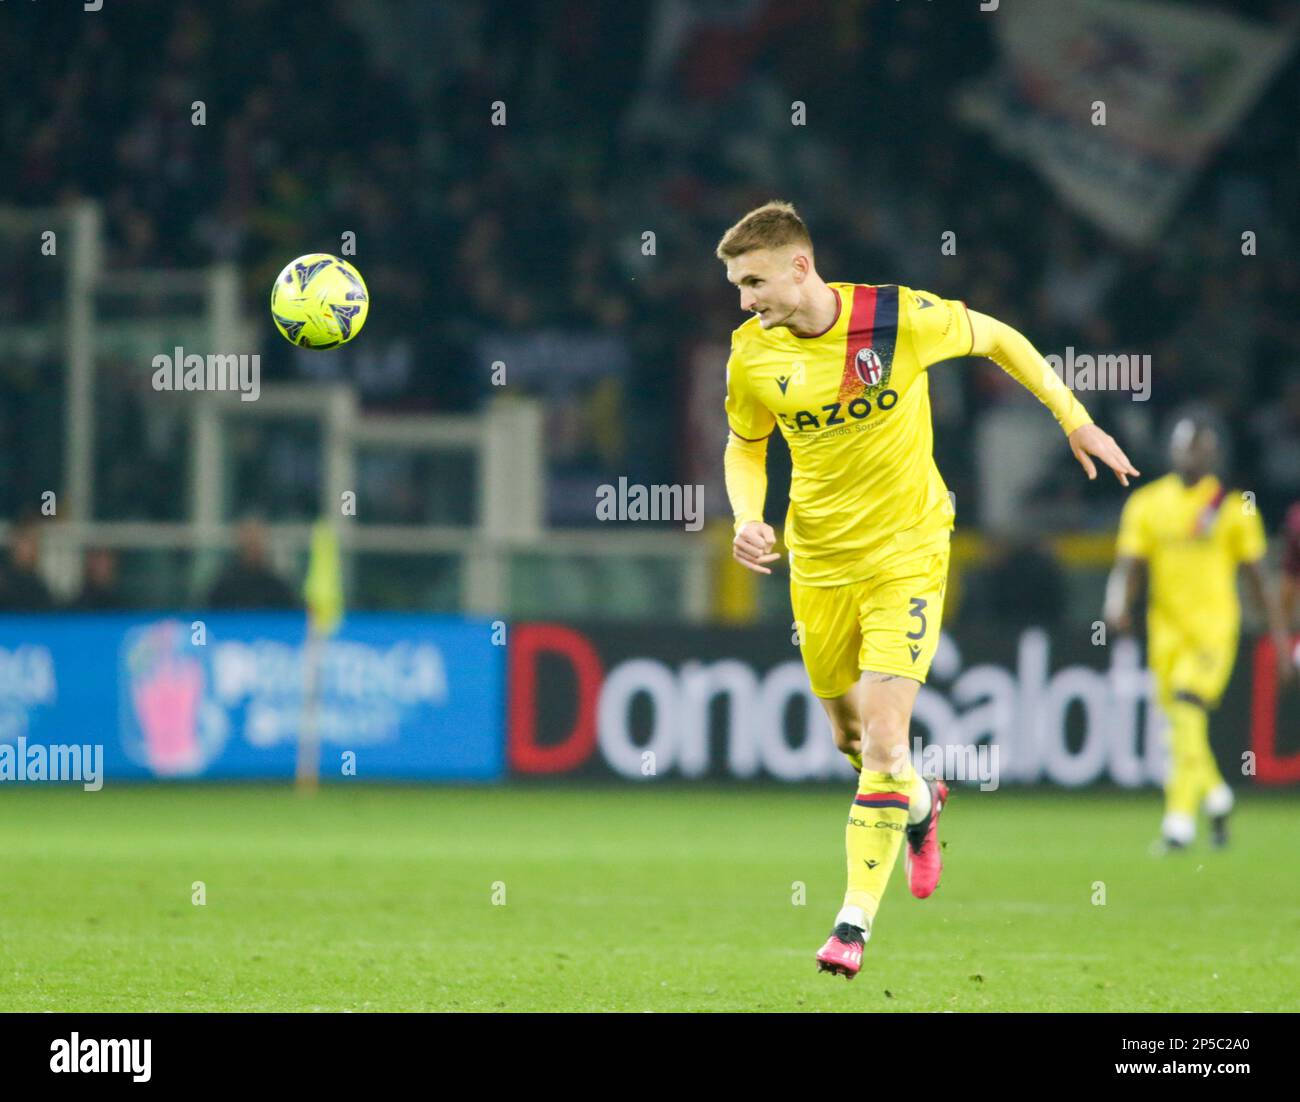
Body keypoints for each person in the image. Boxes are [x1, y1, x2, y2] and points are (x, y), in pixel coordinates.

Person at [717, 201, 1137, 980]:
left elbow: (1000, 338)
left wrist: (1074, 419)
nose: (745, 301)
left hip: (909, 550)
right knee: (851, 741)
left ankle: (851, 923)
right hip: (818, 564)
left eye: (753, 282)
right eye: (738, 286)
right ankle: (920, 804)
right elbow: (745, 448)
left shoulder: (896, 317)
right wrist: (748, 515)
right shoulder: (751, 356)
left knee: (881, 740)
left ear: (799, 267)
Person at [1105, 416, 1292, 853]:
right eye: (1184, 446)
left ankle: (1179, 822)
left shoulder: (1233, 508)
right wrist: (1115, 607)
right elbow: (1129, 565)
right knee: (1180, 725)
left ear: (1214, 454)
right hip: (1165, 630)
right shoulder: (1148, 504)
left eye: (1200, 447)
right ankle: (1218, 797)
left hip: (1212, 631)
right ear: (1171, 451)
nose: (1192, 455)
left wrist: (1280, 641)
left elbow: (1257, 579)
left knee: (1188, 709)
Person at [205, 517, 298, 610]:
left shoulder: (278, 588)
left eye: (257, 542)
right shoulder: (223, 588)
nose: (253, 548)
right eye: (249, 543)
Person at [0, 513, 56, 611]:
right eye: (27, 541)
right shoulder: (4, 580)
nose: (33, 549)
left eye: (35, 542)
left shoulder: (38, 586)